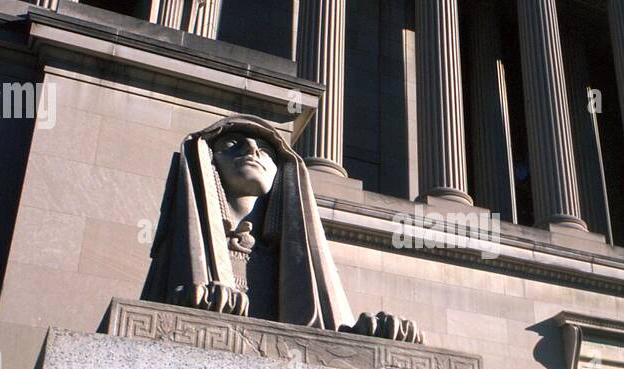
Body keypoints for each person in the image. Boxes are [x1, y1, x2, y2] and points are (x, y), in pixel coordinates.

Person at [142, 114, 422, 342]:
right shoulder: (185, 252)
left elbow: (316, 336)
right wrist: (188, 301)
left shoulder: (288, 257)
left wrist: (370, 337)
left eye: (264, 150)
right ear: (208, 160)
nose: (252, 150)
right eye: (232, 143)